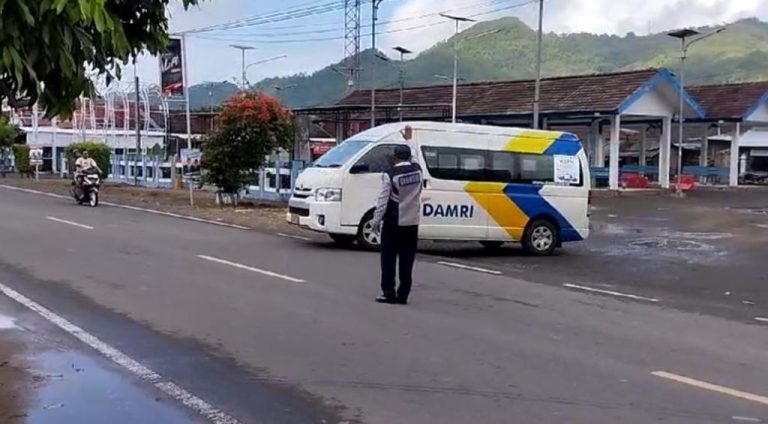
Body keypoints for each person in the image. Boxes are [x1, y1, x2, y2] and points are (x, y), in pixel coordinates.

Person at [372, 143, 423, 305]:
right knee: (407, 260)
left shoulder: (390, 174)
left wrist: (376, 220)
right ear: (408, 157)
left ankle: (388, 293)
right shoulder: (418, 171)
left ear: (395, 157)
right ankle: (403, 294)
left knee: (388, 259)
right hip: (412, 221)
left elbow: (383, 200)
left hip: (393, 222)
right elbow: (415, 158)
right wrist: (409, 142)